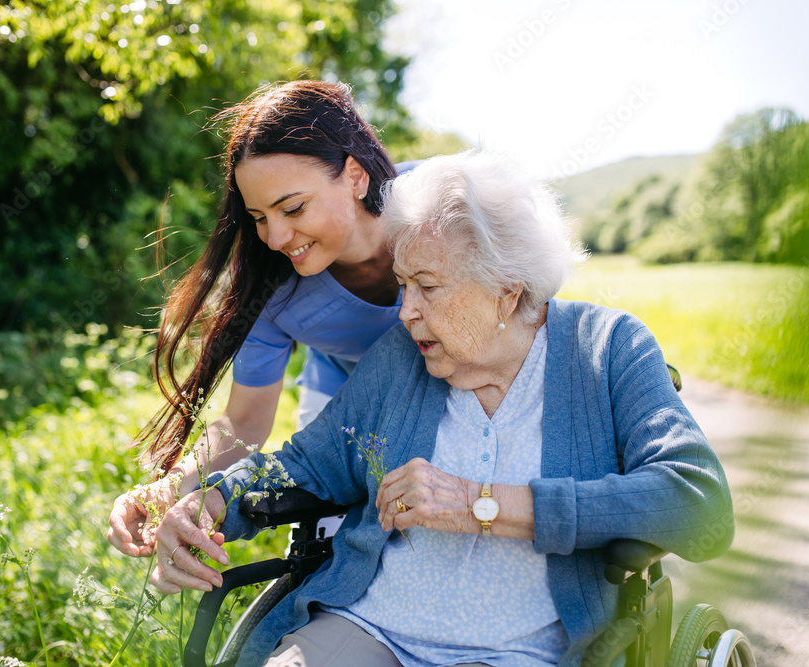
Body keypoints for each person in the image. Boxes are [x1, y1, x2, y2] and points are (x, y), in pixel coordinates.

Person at [152, 149, 735, 667]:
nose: (405, 311)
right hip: (370, 624)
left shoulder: (606, 349)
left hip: (518, 648)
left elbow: (699, 507)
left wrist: (482, 503)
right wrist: (215, 499)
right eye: (403, 284)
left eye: (427, 287)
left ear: (507, 289)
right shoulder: (401, 358)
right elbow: (308, 461)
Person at [107, 80, 411, 557]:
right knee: (329, 546)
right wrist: (169, 486)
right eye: (259, 217)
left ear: (354, 176)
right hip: (342, 402)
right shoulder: (275, 295)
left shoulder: (441, 208)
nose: (275, 237)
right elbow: (244, 424)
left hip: (452, 384)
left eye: (292, 208)